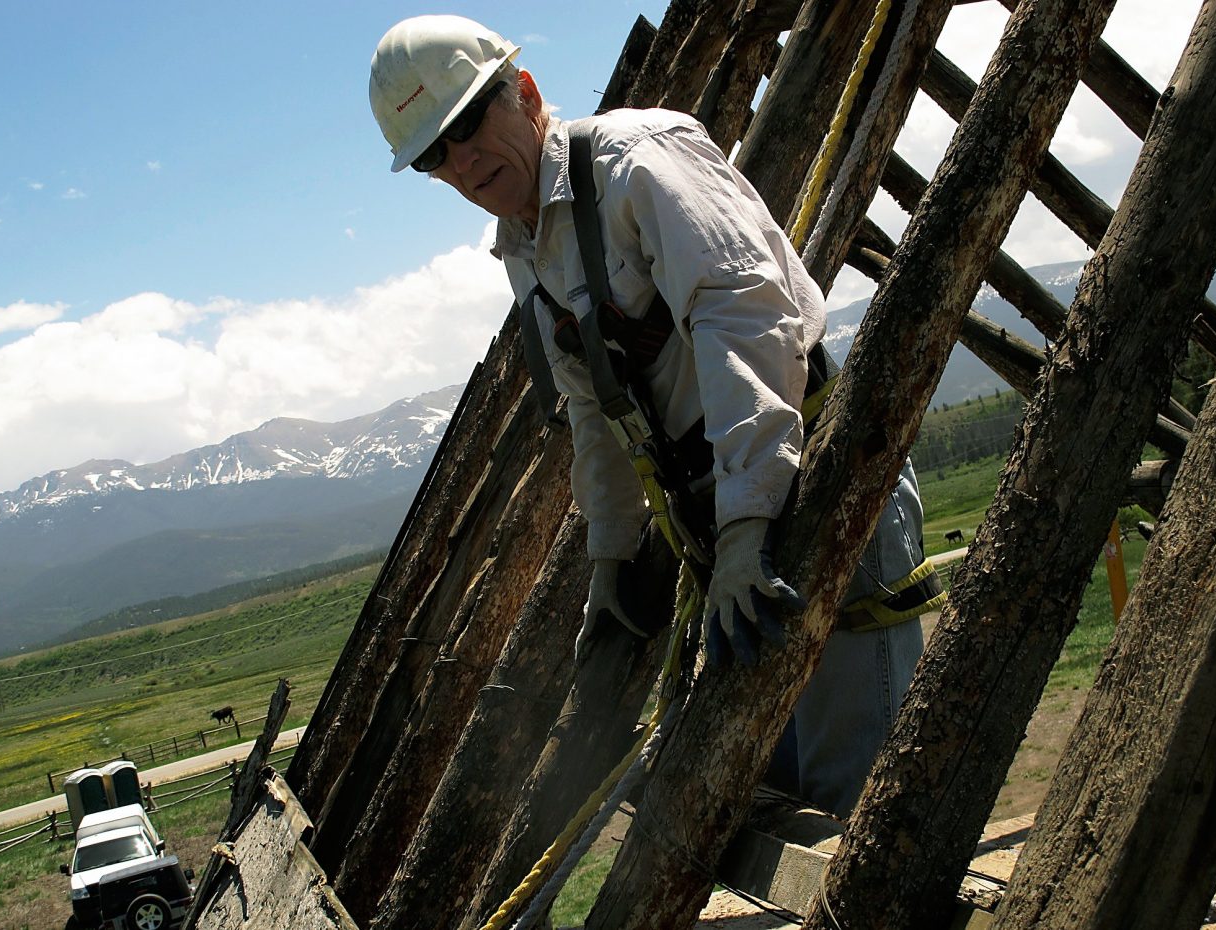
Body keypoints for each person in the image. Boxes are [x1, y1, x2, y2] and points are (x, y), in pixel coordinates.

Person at [368, 14, 942, 817]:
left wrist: (744, 527)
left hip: (816, 478)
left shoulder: (636, 161)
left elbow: (744, 318)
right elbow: (594, 409)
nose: (461, 162)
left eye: (468, 124)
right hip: (732, 523)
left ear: (524, 92)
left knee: (859, 803)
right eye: (435, 153)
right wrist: (612, 555)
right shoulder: (525, 248)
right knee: (775, 807)